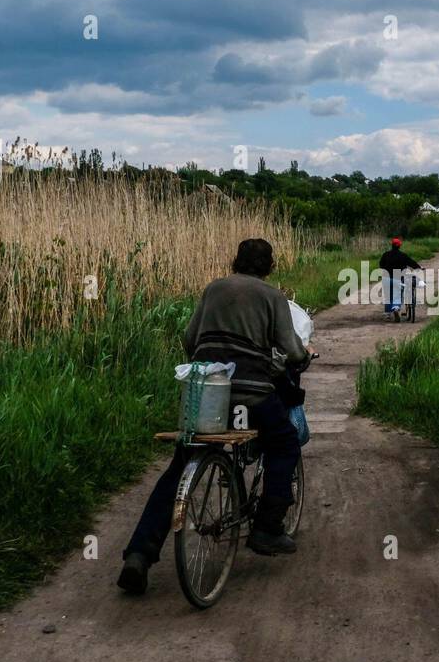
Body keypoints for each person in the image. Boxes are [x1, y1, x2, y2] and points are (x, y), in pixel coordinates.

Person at [118, 238, 311, 595]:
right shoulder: (272, 298)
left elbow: (190, 339)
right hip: (251, 394)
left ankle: (139, 555)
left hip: (207, 393)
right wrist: (301, 358)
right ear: (269, 267)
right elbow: (289, 346)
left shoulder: (213, 289)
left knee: (179, 467)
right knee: (284, 443)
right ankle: (268, 527)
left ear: (234, 260)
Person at [378, 238, 422, 318]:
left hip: (386, 278)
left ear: (392, 245)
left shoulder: (386, 254)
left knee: (388, 295)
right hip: (397, 278)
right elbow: (411, 262)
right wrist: (419, 267)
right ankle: (395, 308)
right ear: (399, 246)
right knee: (397, 294)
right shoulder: (402, 255)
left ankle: (387, 313)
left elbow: (381, 265)